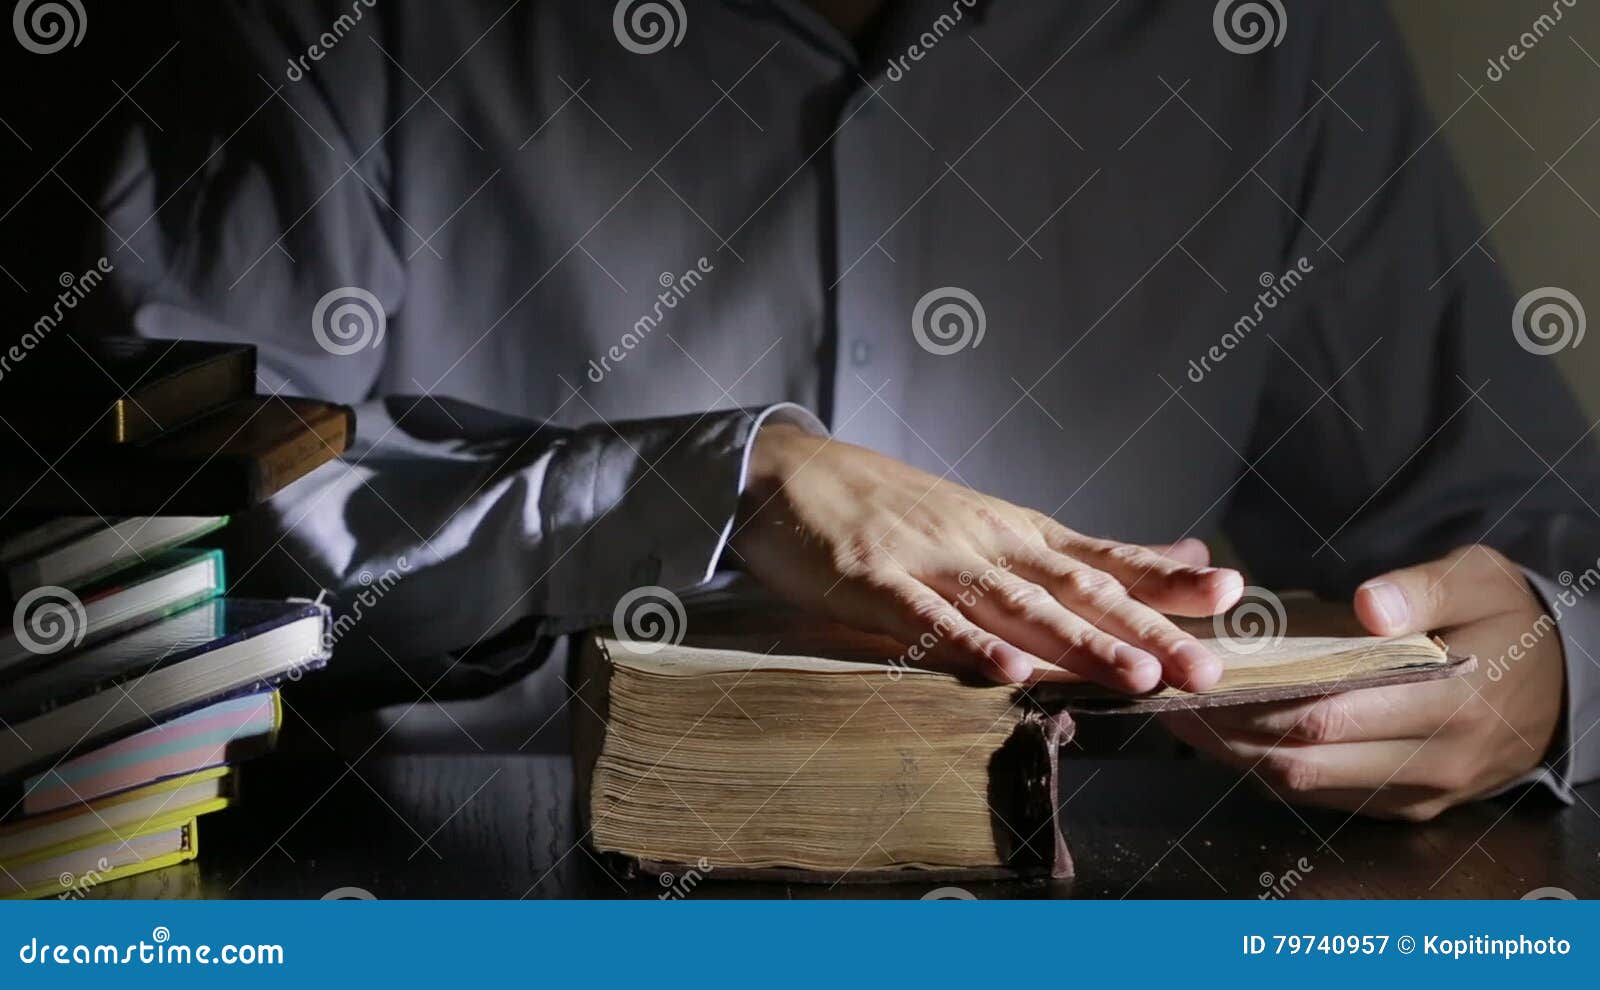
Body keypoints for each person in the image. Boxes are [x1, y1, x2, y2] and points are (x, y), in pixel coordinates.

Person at [89, 0, 1597, 821]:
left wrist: (1554, 672)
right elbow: (124, 551)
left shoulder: (1276, 38)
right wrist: (707, 486)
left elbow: (1533, 524)